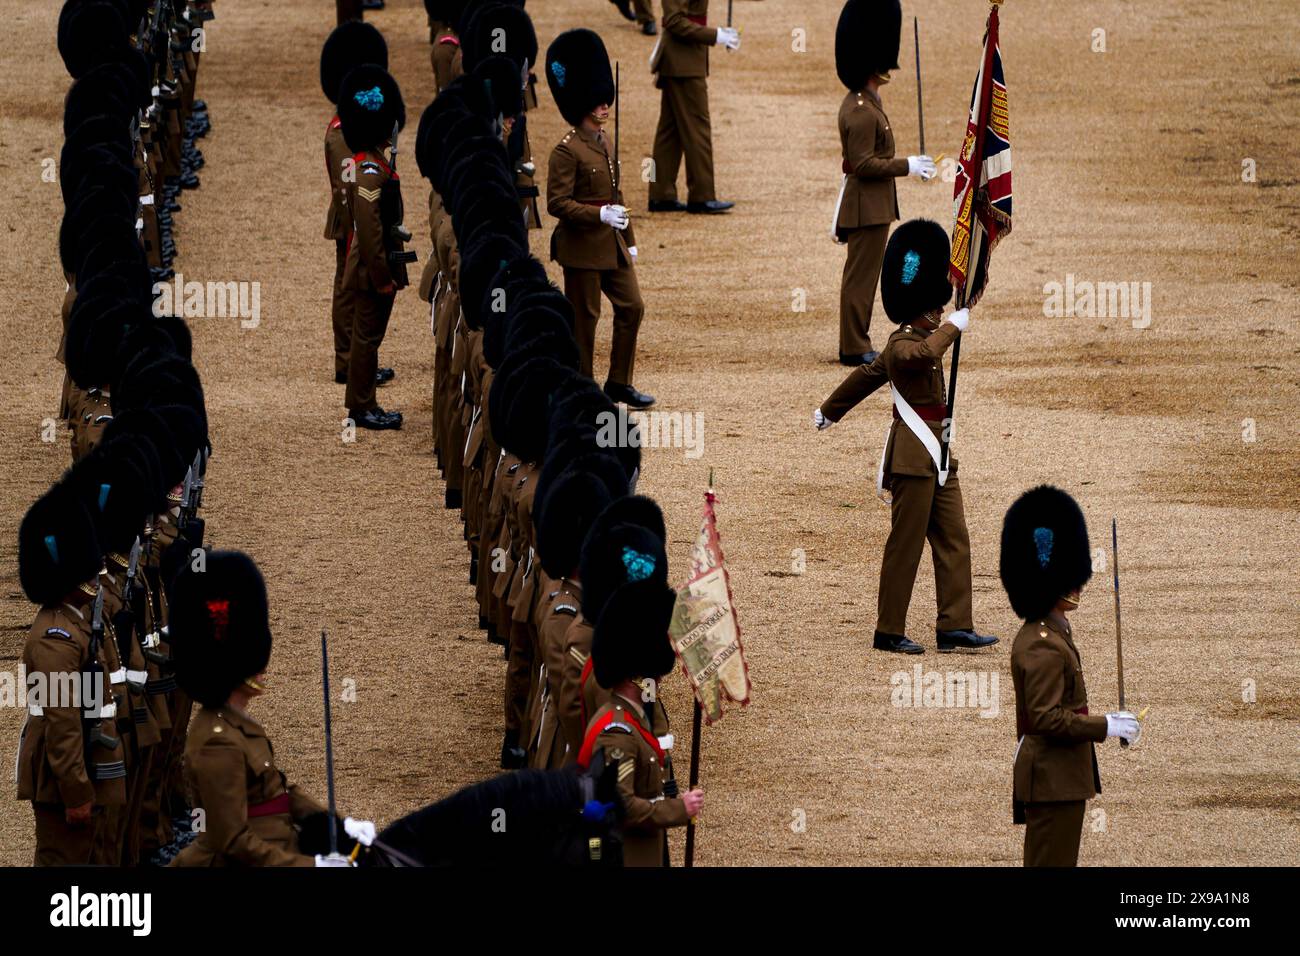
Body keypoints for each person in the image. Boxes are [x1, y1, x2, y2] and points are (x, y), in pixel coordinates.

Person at [814, 219, 997, 655]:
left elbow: (862, 379)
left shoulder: (922, 333)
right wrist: (953, 326)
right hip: (913, 458)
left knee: (955, 538)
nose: (939, 312)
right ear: (919, 307)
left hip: (939, 456)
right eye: (934, 308)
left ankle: (954, 624)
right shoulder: (903, 344)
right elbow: (920, 354)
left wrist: (829, 411)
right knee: (906, 546)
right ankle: (888, 629)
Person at [168, 550, 374, 866]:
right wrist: (313, 866)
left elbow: (280, 792)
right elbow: (234, 842)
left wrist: (339, 825)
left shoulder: (236, 725)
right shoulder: (216, 741)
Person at [1001, 485, 1141, 866]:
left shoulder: (1051, 630)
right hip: (1052, 780)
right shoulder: (1041, 643)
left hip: (1059, 779)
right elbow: (1046, 718)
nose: (1078, 585)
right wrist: (1106, 726)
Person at [15, 483, 126, 866]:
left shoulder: (75, 620)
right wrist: (77, 793)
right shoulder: (54, 638)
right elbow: (62, 725)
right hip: (67, 783)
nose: (97, 574)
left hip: (92, 766)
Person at [545, 28, 655, 409]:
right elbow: (557, 204)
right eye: (598, 101)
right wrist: (599, 215)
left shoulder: (605, 141)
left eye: (605, 100)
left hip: (612, 244)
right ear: (582, 104)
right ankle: (581, 387)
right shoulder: (566, 150)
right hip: (581, 248)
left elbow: (616, 192)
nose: (605, 106)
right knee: (584, 322)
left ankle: (619, 382)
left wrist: (631, 237)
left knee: (632, 307)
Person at [832, 0, 935, 366]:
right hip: (865, 205)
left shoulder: (866, 101)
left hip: (873, 204)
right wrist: (907, 166)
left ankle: (855, 339)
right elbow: (863, 163)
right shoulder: (860, 110)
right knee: (860, 279)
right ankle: (853, 344)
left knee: (863, 276)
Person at [577, 560, 700, 866]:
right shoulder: (617, 734)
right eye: (654, 676)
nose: (658, 681)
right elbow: (624, 806)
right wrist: (679, 810)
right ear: (635, 678)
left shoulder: (629, 720)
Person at [320, 21, 394, 391]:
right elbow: (346, 187)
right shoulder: (339, 133)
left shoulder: (353, 123)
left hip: (359, 216)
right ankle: (348, 362)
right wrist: (358, 228)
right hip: (351, 217)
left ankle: (359, 362)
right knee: (349, 288)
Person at [338, 63, 409, 431]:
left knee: (370, 336)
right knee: (366, 338)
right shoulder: (369, 171)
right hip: (370, 270)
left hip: (374, 267)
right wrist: (383, 275)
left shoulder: (373, 164)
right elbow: (369, 233)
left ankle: (364, 402)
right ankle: (361, 406)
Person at [647, 0, 739, 214]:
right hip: (683, 63)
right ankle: (702, 195)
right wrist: (715, 36)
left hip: (682, 60)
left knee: (670, 134)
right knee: (698, 129)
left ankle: (661, 195)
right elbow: (674, 20)